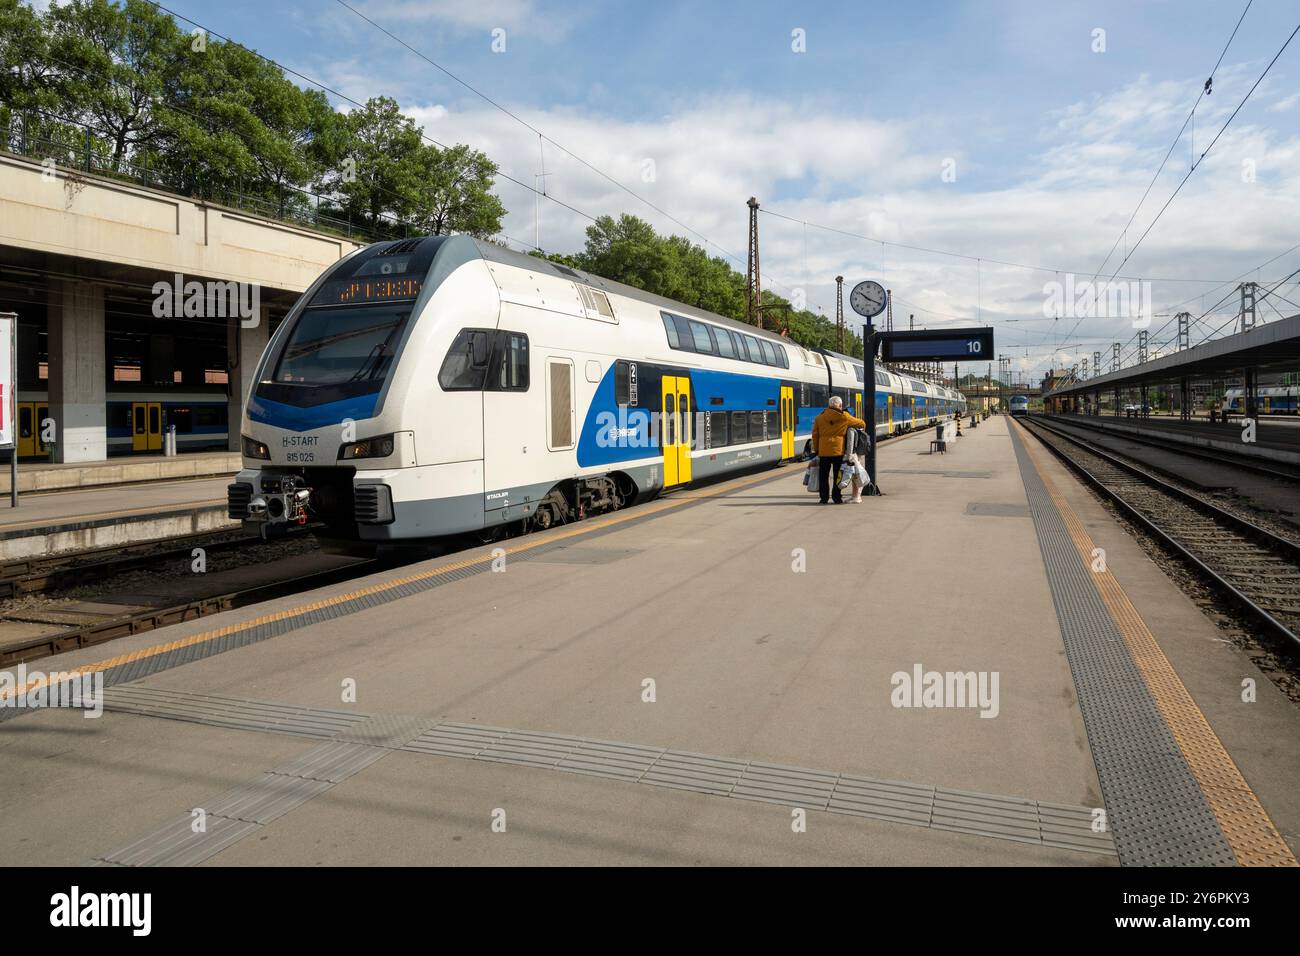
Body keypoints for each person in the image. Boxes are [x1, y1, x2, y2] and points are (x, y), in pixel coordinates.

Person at [811, 396, 866, 504]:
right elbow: (862, 424)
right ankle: (837, 498)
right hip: (838, 451)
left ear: (829, 405)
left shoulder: (819, 418)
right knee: (838, 476)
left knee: (823, 476)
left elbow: (815, 435)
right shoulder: (845, 417)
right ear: (840, 406)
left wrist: (817, 450)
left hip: (824, 451)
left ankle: (824, 498)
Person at [844, 423, 871, 502]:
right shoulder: (856, 429)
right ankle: (855, 496)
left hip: (853, 455)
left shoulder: (850, 430)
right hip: (856, 454)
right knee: (856, 476)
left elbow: (850, 444)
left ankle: (856, 497)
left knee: (856, 476)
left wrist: (849, 457)